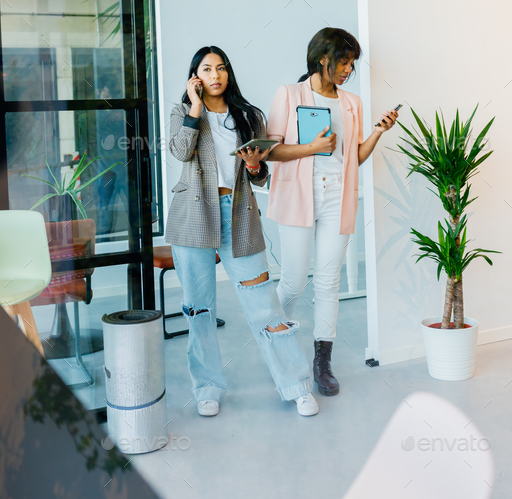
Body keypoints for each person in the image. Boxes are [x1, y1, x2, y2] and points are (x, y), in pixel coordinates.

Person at [166, 45, 318, 417]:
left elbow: (262, 173)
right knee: (199, 308)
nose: (215, 75)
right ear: (195, 76)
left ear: (228, 74)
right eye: (207, 69)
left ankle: (296, 385)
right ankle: (208, 388)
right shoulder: (183, 112)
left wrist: (254, 167)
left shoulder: (248, 115)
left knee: (263, 303)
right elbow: (179, 152)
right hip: (192, 216)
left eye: (221, 68)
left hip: (238, 212)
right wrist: (195, 107)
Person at [266, 27, 398, 396]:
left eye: (351, 63)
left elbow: (352, 157)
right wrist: (311, 148)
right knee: (293, 281)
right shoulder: (289, 95)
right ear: (322, 58)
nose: (347, 69)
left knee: (328, 282)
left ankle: (322, 363)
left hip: (339, 196)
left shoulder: (351, 102)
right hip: (299, 197)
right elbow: (271, 151)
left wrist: (377, 132)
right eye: (343, 61)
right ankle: (273, 340)